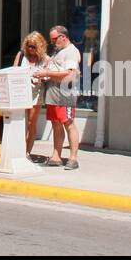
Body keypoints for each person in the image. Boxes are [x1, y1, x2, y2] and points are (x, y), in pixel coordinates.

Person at [34, 24, 82, 169]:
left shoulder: (71, 52)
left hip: (65, 94)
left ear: (63, 37)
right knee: (56, 123)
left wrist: (46, 74)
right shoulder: (58, 52)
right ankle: (56, 155)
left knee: (68, 123)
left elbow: (69, 73)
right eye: (52, 40)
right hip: (53, 93)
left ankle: (73, 158)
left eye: (54, 39)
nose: (53, 42)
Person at [13, 31, 50, 160]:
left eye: (33, 47)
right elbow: (13, 70)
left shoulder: (45, 59)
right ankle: (18, 149)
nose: (30, 49)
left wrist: (42, 77)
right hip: (21, 91)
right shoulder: (22, 55)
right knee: (19, 121)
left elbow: (48, 75)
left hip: (36, 92)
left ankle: (27, 151)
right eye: (29, 46)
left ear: (39, 46)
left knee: (31, 122)